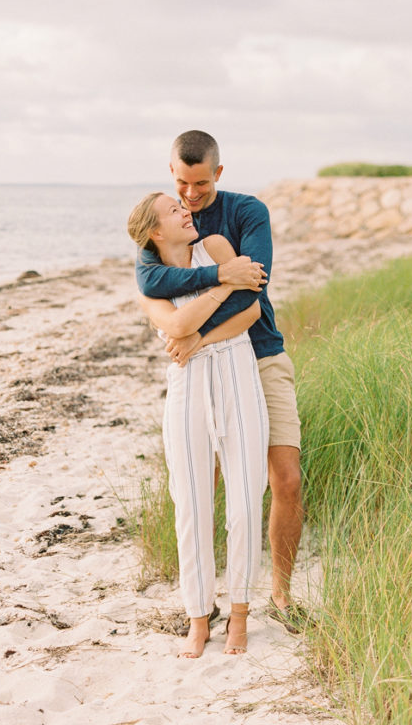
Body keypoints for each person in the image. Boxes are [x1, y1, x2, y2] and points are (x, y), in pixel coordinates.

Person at [136, 130, 307, 634]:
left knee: (285, 479)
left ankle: (279, 591)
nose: (190, 196)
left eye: (201, 184)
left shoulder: (245, 212)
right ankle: (205, 599)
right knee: (201, 485)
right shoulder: (163, 218)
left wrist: (196, 334)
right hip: (201, 372)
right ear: (172, 172)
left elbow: (253, 286)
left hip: (261, 356)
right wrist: (198, 304)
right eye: (182, 183)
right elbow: (151, 285)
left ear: (219, 174)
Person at [127, 192, 269, 658]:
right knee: (191, 504)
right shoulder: (150, 283)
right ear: (155, 232)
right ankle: (198, 616)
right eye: (173, 211)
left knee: (246, 499)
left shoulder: (216, 247)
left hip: (236, 370)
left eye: (182, 206)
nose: (185, 210)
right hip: (187, 385)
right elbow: (176, 327)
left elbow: (250, 312)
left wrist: (209, 318)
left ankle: (241, 613)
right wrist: (225, 285)